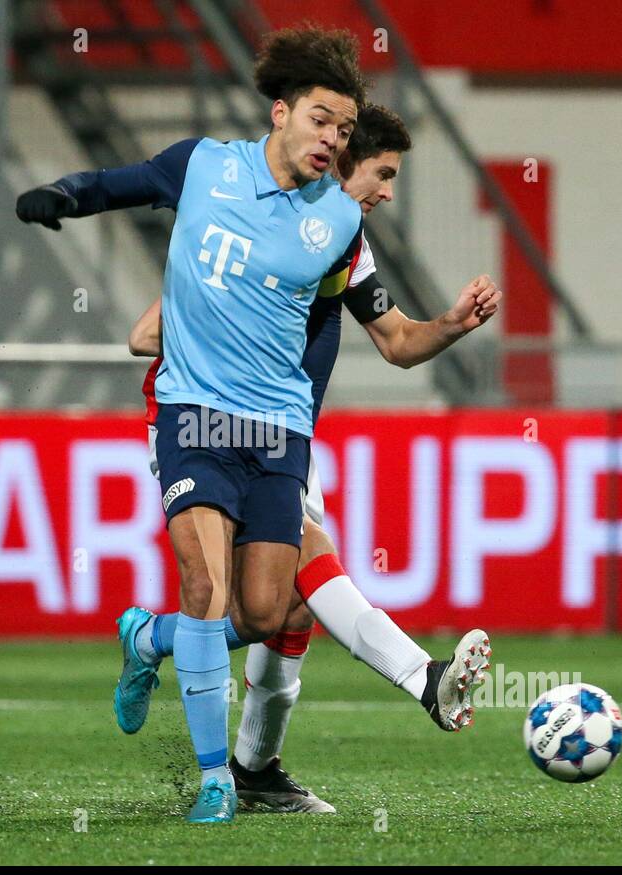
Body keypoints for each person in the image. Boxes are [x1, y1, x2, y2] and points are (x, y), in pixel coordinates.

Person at [18, 26, 371, 823]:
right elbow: (125, 181)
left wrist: (303, 426)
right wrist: (66, 196)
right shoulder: (204, 165)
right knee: (206, 590)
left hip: (276, 433)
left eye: (345, 130)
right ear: (280, 113)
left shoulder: (339, 224)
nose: (332, 140)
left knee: (262, 613)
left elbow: (328, 329)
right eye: (321, 120)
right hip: (194, 415)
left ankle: (147, 640)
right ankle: (217, 776)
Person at [120, 104, 500, 811]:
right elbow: (145, 335)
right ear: (341, 164)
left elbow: (397, 342)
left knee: (284, 614)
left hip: (285, 437)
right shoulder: (266, 231)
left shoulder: (343, 246)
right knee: (309, 558)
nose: (388, 190)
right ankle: (424, 677)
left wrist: (450, 325)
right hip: (216, 429)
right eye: (382, 174)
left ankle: (245, 758)